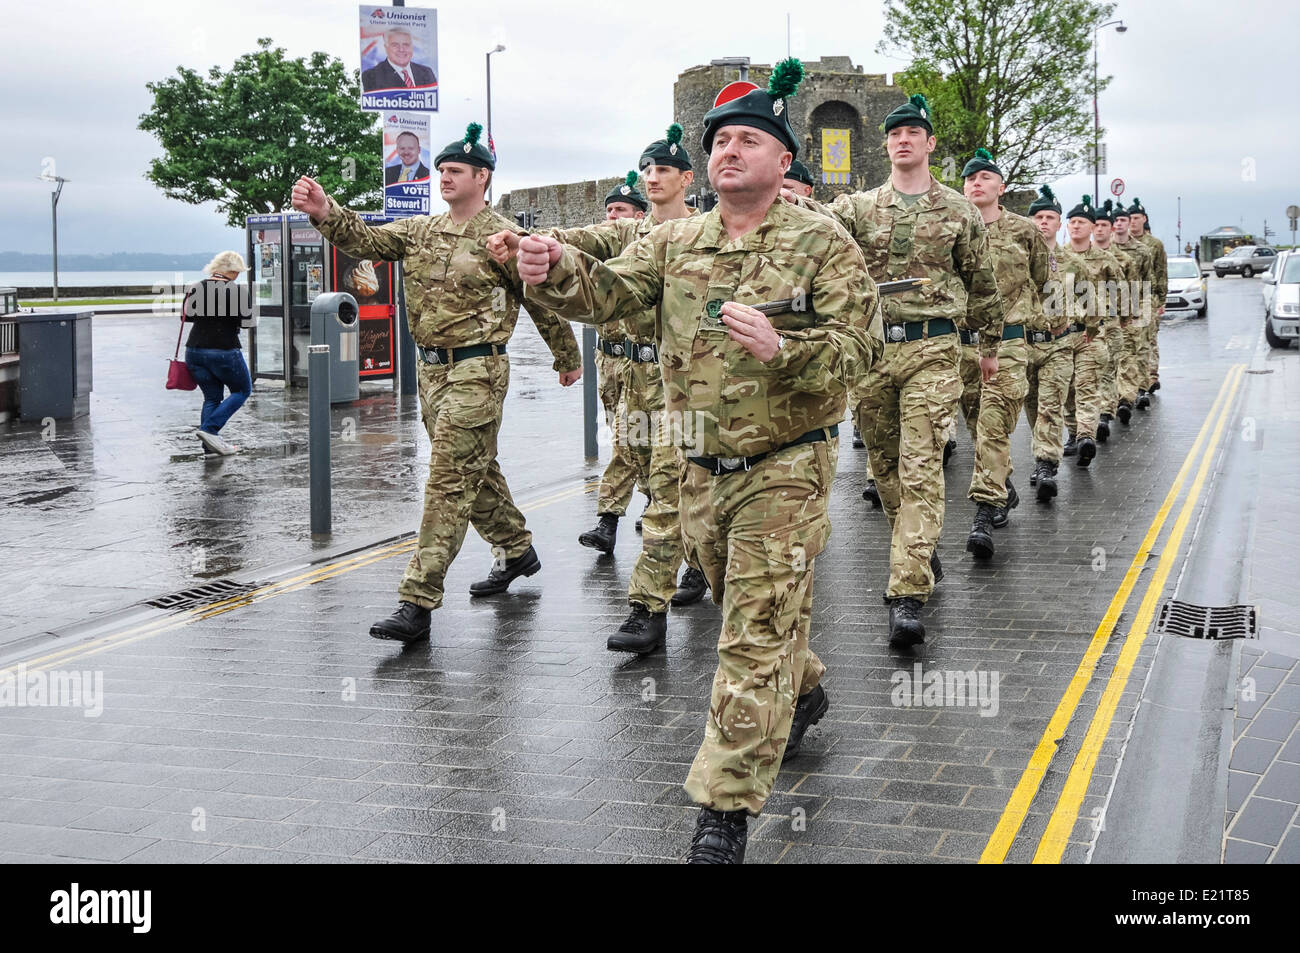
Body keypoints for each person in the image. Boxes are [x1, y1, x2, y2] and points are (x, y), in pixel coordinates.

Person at [514, 60, 882, 863]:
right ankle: (805, 686)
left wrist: (788, 346)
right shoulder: (677, 240)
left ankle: (724, 809)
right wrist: (554, 269)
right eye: (718, 140)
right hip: (698, 469)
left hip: (786, 466)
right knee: (756, 612)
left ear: (784, 159)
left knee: (747, 636)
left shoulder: (824, 242)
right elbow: (609, 294)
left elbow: (862, 349)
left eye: (749, 138)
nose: (728, 151)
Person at [290, 122, 582, 645]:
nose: (443, 178)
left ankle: (416, 601)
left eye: (454, 171)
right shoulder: (421, 230)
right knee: (475, 468)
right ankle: (517, 550)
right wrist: (326, 212)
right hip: (432, 372)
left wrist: (566, 354)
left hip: (479, 369)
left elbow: (540, 299)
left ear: (482, 177)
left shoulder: (502, 240)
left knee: (447, 477)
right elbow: (370, 241)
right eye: (441, 171)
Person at [793, 93, 1004, 647]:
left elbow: (981, 282)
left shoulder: (958, 211)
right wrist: (784, 192)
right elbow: (812, 226)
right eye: (894, 134)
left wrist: (988, 346)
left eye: (913, 132)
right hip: (871, 356)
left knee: (920, 468)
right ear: (885, 144)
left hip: (933, 350)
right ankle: (917, 546)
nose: (903, 139)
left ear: (931, 143)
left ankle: (906, 594)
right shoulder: (858, 209)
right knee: (885, 470)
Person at [957, 149, 1048, 557]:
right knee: (978, 427)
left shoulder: (1025, 231)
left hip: (1010, 344)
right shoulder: (954, 228)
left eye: (985, 177)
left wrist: (1043, 327)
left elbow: (1048, 281)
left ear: (1001, 187)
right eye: (970, 178)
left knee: (994, 427)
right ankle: (1001, 484)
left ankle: (983, 511)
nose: (977, 183)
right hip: (963, 347)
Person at [1022, 185, 1076, 503]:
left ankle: (1046, 466)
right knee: (1032, 406)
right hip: (1025, 343)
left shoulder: (1071, 261)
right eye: (1038, 217)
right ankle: (1041, 453)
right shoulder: (1018, 257)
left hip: (1059, 344)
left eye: (1050, 217)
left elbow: (1089, 299)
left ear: (1059, 223)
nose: (1043, 222)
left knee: (1050, 405)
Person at [1059, 195, 1119, 468]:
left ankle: (1086, 436)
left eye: (1081, 222)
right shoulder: (1057, 258)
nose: (1075, 226)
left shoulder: (1105, 261)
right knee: (1068, 389)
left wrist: (1105, 324)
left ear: (1092, 227)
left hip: (1093, 332)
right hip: (1062, 333)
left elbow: (1118, 295)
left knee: (1087, 384)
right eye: (1071, 222)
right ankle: (1073, 432)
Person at [183, 251, 253, 456]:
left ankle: (209, 448)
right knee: (242, 390)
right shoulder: (236, 291)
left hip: (194, 351)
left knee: (211, 398)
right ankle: (209, 430)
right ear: (229, 271)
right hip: (224, 350)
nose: (238, 276)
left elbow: (186, 318)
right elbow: (247, 322)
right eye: (237, 272)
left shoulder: (196, 287)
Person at [1091, 200, 1140, 430]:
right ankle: (1093, 415)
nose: (1099, 229)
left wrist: (1129, 321)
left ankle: (1106, 411)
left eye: (1104, 225)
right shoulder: (1075, 255)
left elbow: (1133, 292)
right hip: (1084, 324)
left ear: (1111, 229)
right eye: (1096, 225)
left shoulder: (1123, 260)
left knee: (1111, 365)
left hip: (1113, 321)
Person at [1128, 199, 1167, 394]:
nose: (1132, 222)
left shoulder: (1154, 244)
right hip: (1128, 299)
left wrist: (1161, 300)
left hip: (1148, 297)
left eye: (1136, 218)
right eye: (1130, 218)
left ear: (1144, 219)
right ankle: (1132, 378)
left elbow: (1161, 272)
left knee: (1148, 338)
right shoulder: (1122, 242)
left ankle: (1151, 376)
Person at [361, 27, 437, 91]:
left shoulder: (426, 73)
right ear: (386, 48)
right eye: (395, 45)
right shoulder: (371, 76)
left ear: (412, 47)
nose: (401, 49)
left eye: (406, 44)